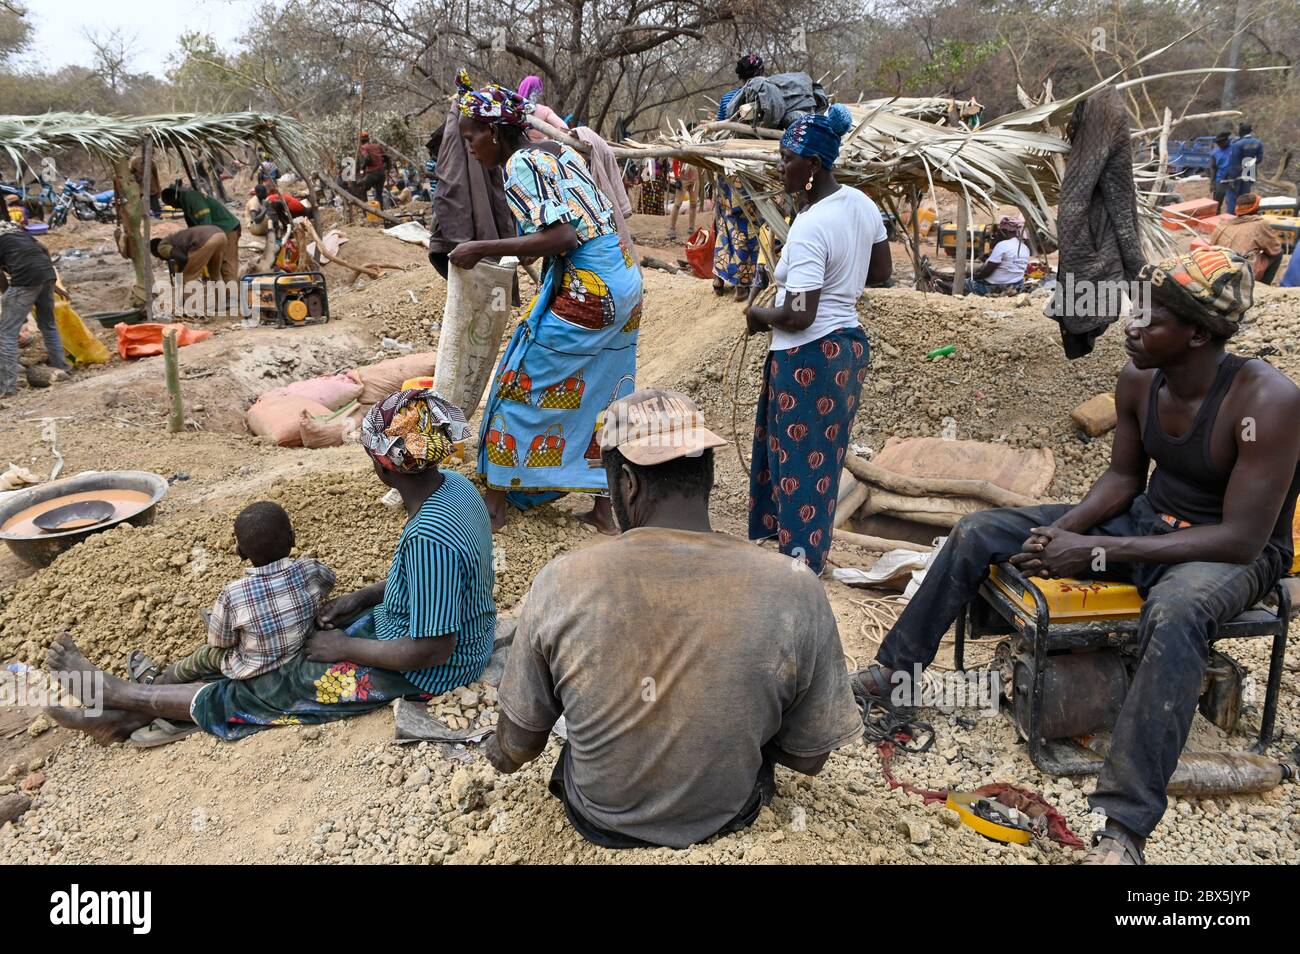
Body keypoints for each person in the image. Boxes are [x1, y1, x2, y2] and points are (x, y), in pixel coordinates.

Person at [852, 247, 1300, 865]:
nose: (1132, 326)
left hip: (1225, 551)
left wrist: (1095, 549)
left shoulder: (1267, 401)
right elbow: (1121, 480)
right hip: (1148, 522)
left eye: (1152, 318)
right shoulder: (1140, 378)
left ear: (1198, 333)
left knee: (1173, 613)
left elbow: (1243, 539)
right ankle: (893, 675)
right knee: (981, 531)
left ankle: (1124, 828)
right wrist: (1060, 533)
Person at [486, 389, 864, 849]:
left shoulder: (563, 581)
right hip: (727, 816)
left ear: (627, 483)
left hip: (602, 822)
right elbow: (810, 757)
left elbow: (521, 744)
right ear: (707, 474)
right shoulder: (795, 584)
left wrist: (498, 753)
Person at [47, 389, 497, 743]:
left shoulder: (429, 537)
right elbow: (437, 584)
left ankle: (127, 698)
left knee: (278, 685)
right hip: (413, 629)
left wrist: (344, 648)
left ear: (383, 469)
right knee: (297, 645)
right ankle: (128, 717)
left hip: (436, 667)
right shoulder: (454, 488)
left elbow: (431, 649)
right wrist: (364, 597)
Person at [450, 70, 643, 536]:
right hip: (625, 281)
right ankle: (604, 511)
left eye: (472, 137)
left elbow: (561, 235)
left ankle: (494, 509)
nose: (471, 148)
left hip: (590, 290)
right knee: (604, 389)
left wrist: (481, 248)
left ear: (495, 131)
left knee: (516, 386)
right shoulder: (555, 151)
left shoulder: (519, 165)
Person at [743, 104, 892, 574]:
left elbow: (800, 314)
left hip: (807, 354)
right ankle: (804, 554)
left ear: (813, 165)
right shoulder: (861, 204)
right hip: (846, 349)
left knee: (799, 464)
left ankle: (799, 570)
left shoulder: (810, 226)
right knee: (818, 459)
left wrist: (757, 314)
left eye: (788, 159)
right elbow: (883, 273)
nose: (781, 167)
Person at [133, 502, 336, 686]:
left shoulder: (234, 594)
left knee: (205, 655)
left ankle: (159, 681)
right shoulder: (310, 568)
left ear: (240, 553)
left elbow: (220, 643)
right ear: (292, 539)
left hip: (254, 667)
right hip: (299, 650)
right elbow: (329, 583)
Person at [712, 53, 766, 300]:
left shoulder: (727, 99)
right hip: (756, 171)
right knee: (753, 224)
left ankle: (724, 279)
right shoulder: (767, 98)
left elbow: (719, 136)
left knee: (728, 221)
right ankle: (749, 282)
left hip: (729, 170)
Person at [0, 221, 68, 398]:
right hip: (46, 273)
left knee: (6, 333)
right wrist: (52, 281)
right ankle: (62, 368)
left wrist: (11, 305)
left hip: (25, 278)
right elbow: (43, 248)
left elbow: (0, 277)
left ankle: (7, 388)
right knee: (48, 325)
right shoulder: (11, 228)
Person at [160, 185, 241, 284]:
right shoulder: (186, 203)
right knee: (215, 271)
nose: (172, 207)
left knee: (227, 265)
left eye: (170, 203)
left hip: (228, 229)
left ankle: (232, 297)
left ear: (174, 197)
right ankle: (223, 296)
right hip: (217, 233)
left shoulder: (192, 199)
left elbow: (206, 225)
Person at [1209, 192, 1284, 284]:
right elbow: (1275, 249)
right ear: (1257, 208)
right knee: (1279, 253)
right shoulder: (1259, 224)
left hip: (1216, 271)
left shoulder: (1222, 224)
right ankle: (1262, 286)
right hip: (1242, 275)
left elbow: (1211, 247)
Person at [965, 215, 1030, 295]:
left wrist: (975, 277)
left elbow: (988, 270)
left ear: (1005, 231)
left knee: (964, 283)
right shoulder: (1025, 248)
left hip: (997, 286)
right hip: (1016, 286)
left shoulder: (1003, 245)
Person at [149, 225, 227, 289]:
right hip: (220, 234)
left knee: (188, 278)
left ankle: (190, 307)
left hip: (204, 240)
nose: (159, 258)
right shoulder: (174, 240)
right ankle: (222, 304)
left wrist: (181, 274)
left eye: (157, 256)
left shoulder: (161, 247)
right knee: (215, 275)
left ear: (155, 251)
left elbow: (183, 258)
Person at [1223, 122, 1264, 215]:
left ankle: (1231, 219)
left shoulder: (1237, 144)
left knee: (1232, 198)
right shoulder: (1258, 143)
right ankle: (1243, 216)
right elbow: (1259, 159)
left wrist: (1230, 178)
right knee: (1245, 198)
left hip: (1236, 175)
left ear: (1241, 131)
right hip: (1250, 173)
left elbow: (1234, 162)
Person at [518, 74, 570, 144]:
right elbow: (564, 128)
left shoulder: (512, 111)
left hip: (517, 151)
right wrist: (549, 139)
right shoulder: (543, 111)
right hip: (541, 150)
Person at [666, 155, 698, 242]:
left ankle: (691, 227)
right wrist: (677, 177)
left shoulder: (696, 145)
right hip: (683, 178)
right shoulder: (682, 146)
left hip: (694, 178)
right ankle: (672, 228)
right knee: (677, 204)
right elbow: (676, 160)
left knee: (694, 203)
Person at [352, 132, 391, 204]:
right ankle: (380, 212)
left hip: (373, 173)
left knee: (361, 189)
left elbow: (367, 158)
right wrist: (387, 169)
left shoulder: (363, 147)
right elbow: (387, 157)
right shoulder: (378, 146)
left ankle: (366, 209)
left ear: (360, 141)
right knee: (378, 194)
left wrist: (363, 167)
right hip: (381, 173)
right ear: (368, 139)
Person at [128, 148, 162, 218]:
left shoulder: (152, 163)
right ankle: (140, 215)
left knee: (154, 202)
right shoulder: (135, 161)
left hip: (151, 186)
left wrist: (158, 188)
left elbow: (156, 176)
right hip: (140, 186)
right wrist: (136, 178)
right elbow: (131, 172)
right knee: (138, 202)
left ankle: (157, 215)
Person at [1208, 131, 1232, 214]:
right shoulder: (1214, 153)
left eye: (1221, 142)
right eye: (1218, 143)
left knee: (1231, 202)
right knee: (1217, 203)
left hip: (1233, 180)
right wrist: (1212, 183)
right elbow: (1213, 168)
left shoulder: (1235, 149)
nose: (1219, 144)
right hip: (1220, 180)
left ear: (1226, 141)